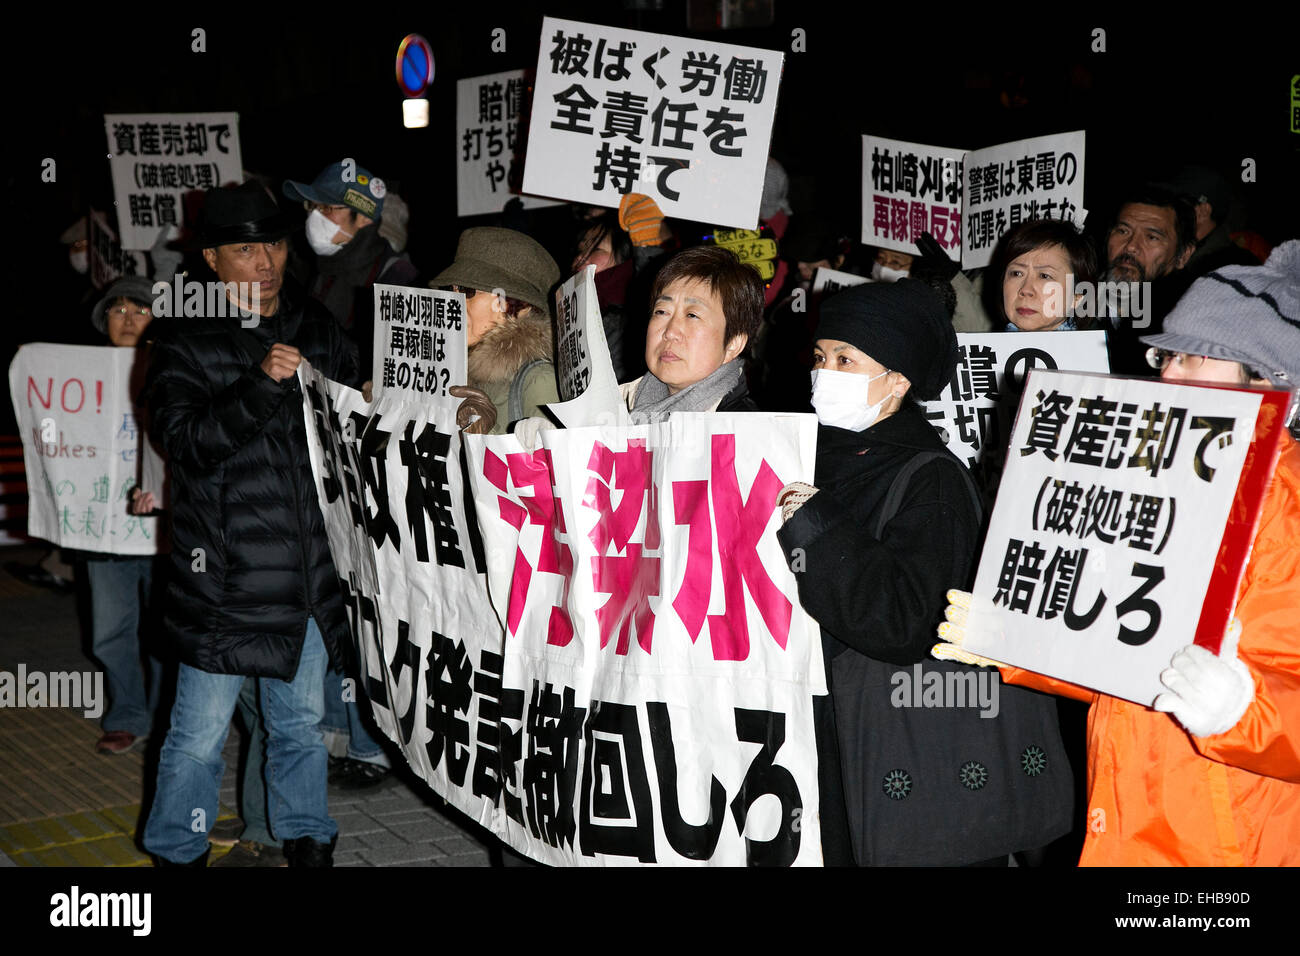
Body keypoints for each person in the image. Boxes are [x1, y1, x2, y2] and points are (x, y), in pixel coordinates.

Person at [936, 242, 1300, 864]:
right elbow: (1120, 648)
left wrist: (1244, 712)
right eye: (1166, 355)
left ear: (1271, 384)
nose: (1168, 375)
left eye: (1195, 359)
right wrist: (1016, 639)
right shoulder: (1159, 481)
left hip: (1229, 849)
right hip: (1126, 828)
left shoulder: (1288, 512)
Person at [775, 280, 1073, 866]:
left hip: (897, 748)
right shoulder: (805, 452)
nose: (823, 372)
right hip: (817, 738)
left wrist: (815, 523)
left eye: (845, 360)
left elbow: (907, 621)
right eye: (819, 356)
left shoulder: (930, 479)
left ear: (899, 380)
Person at [141, 180, 360, 867]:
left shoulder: (315, 320)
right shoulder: (178, 333)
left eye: (273, 243)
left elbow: (355, 415)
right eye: (245, 248)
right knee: (198, 735)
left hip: (303, 571)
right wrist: (260, 384)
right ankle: (177, 850)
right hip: (225, 578)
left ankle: (307, 842)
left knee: (298, 724)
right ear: (211, 259)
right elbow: (186, 443)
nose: (265, 261)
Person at [83, 276, 167, 755]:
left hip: (163, 526)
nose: (130, 318)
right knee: (109, 630)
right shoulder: (82, 378)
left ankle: (161, 717)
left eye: (141, 308)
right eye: (119, 310)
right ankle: (127, 714)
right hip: (103, 525)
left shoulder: (176, 369)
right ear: (104, 320)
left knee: (162, 629)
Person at [282, 160, 417, 376]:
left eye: (326, 207)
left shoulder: (398, 278)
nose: (314, 217)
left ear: (364, 217)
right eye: (311, 206)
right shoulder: (319, 271)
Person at [434, 227, 561, 435]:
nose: (452, 301)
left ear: (519, 306)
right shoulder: (453, 370)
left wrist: (483, 435)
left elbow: (553, 465)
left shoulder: (539, 381)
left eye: (467, 291)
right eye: (452, 289)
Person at [622, 244, 761, 421]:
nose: (670, 332)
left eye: (692, 315)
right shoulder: (613, 406)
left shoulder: (748, 434)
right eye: (662, 311)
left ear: (733, 345)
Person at [991, 219, 1098, 332]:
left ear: (1077, 297)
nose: (1026, 290)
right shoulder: (985, 346)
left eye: (1044, 276)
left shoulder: (1088, 349)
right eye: (1017, 273)